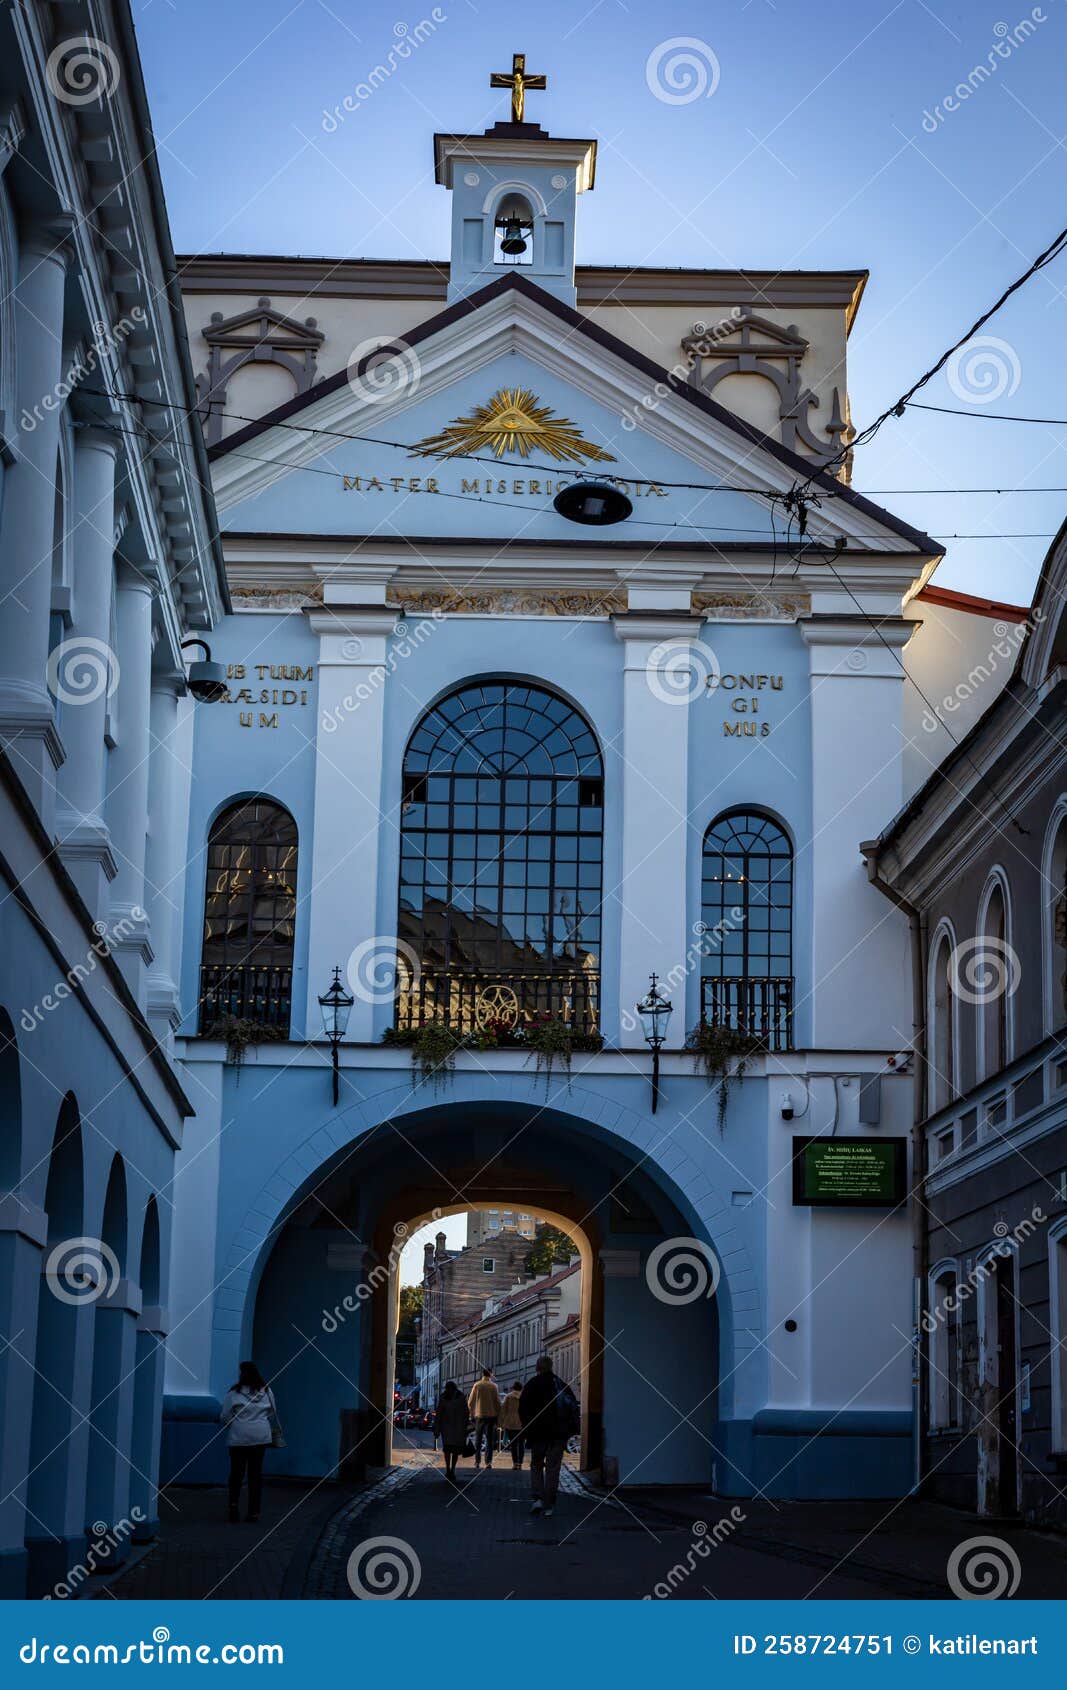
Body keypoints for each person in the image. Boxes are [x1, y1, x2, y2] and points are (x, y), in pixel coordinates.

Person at [519, 1355, 580, 1518]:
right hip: (558, 1435)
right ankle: (549, 1505)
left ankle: (537, 1499)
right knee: (553, 1469)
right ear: (552, 1366)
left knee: (536, 1465)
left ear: (537, 1368)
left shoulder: (532, 1385)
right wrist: (570, 1431)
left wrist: (527, 1429)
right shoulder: (560, 1385)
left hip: (538, 1434)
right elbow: (572, 1407)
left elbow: (523, 1409)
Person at [220, 1360, 276, 1523]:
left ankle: (233, 1505)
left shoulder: (234, 1393)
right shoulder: (267, 1391)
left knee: (236, 1473)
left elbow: (224, 1416)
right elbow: (272, 1411)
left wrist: (234, 1422)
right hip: (260, 1436)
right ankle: (254, 1512)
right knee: (255, 1475)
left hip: (239, 1437)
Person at [435, 1380, 469, 1483]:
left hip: (458, 1427)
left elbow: (466, 1413)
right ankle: (448, 1469)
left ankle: (452, 1469)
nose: (449, 1391)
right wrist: (437, 1428)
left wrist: (465, 1426)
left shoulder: (461, 1397)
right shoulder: (443, 1397)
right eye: (447, 1389)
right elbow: (439, 1414)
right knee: (447, 1449)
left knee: (454, 1450)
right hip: (447, 1428)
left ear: (454, 1389)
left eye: (450, 1389)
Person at [467, 1368, 501, 1469]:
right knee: (489, 1440)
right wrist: (499, 1415)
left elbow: (471, 1401)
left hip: (479, 1415)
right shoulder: (494, 1386)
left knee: (478, 1439)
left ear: (482, 1374)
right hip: (491, 1416)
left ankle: (477, 1462)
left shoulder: (477, 1385)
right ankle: (488, 1462)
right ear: (491, 1374)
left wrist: (471, 1414)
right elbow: (497, 1402)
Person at [500, 1380, 525, 1469]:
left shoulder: (508, 1397)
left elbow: (503, 1410)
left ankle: (514, 1463)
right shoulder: (524, 1397)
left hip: (510, 1424)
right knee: (521, 1444)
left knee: (513, 1444)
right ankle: (520, 1463)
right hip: (522, 1424)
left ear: (513, 1388)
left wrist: (502, 1423)